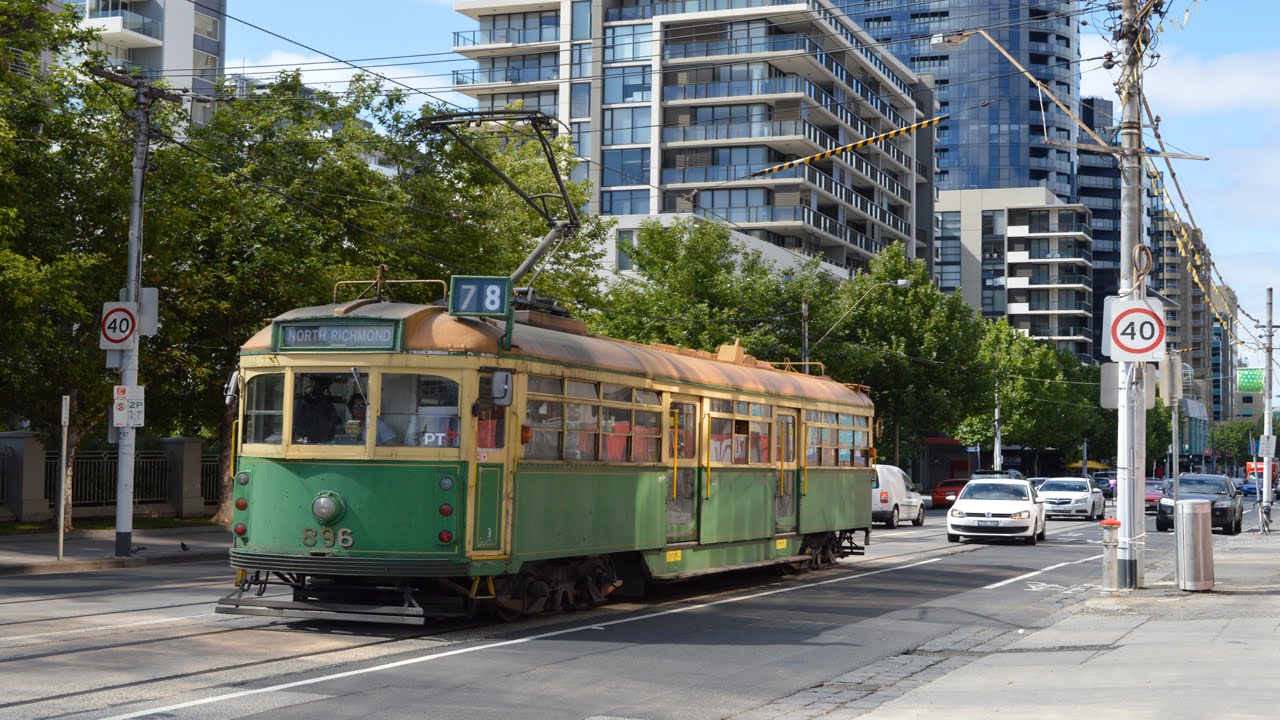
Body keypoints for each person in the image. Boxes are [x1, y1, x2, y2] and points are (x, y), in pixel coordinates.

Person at [294, 378, 340, 443]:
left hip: (324, 441)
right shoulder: (305, 402)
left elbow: (333, 424)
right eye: (321, 385)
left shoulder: (328, 405)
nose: (323, 388)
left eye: (325, 386)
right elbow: (298, 422)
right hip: (308, 440)